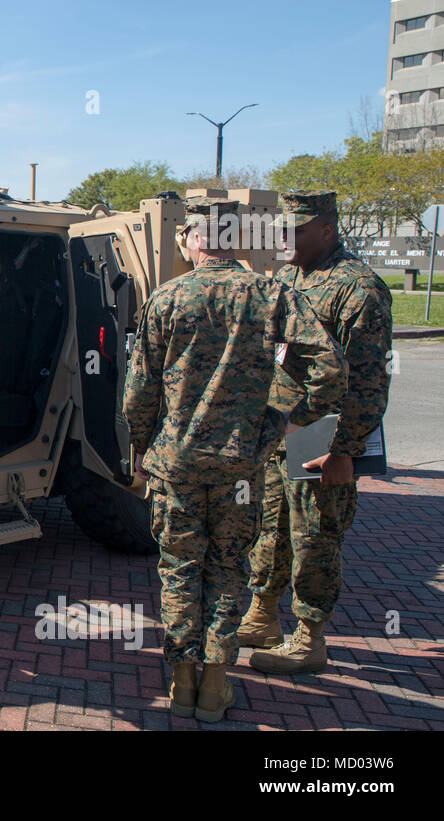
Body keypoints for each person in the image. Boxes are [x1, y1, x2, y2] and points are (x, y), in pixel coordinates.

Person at [124, 197, 348, 722]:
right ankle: (215, 686)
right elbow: (330, 368)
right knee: (227, 571)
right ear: (238, 238)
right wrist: (288, 421)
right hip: (241, 467)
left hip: (176, 464)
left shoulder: (168, 297)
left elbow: (138, 393)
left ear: (195, 240)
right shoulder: (271, 293)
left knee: (180, 570)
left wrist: (140, 449)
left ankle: (182, 683)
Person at [242, 191, 395, 675]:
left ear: (327, 229)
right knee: (271, 529)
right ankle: (263, 614)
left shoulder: (358, 288)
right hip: (281, 426)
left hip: (321, 434)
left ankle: (309, 637)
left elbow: (369, 380)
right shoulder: (288, 276)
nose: (284, 240)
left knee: (315, 538)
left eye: (296, 231)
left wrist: (344, 451)